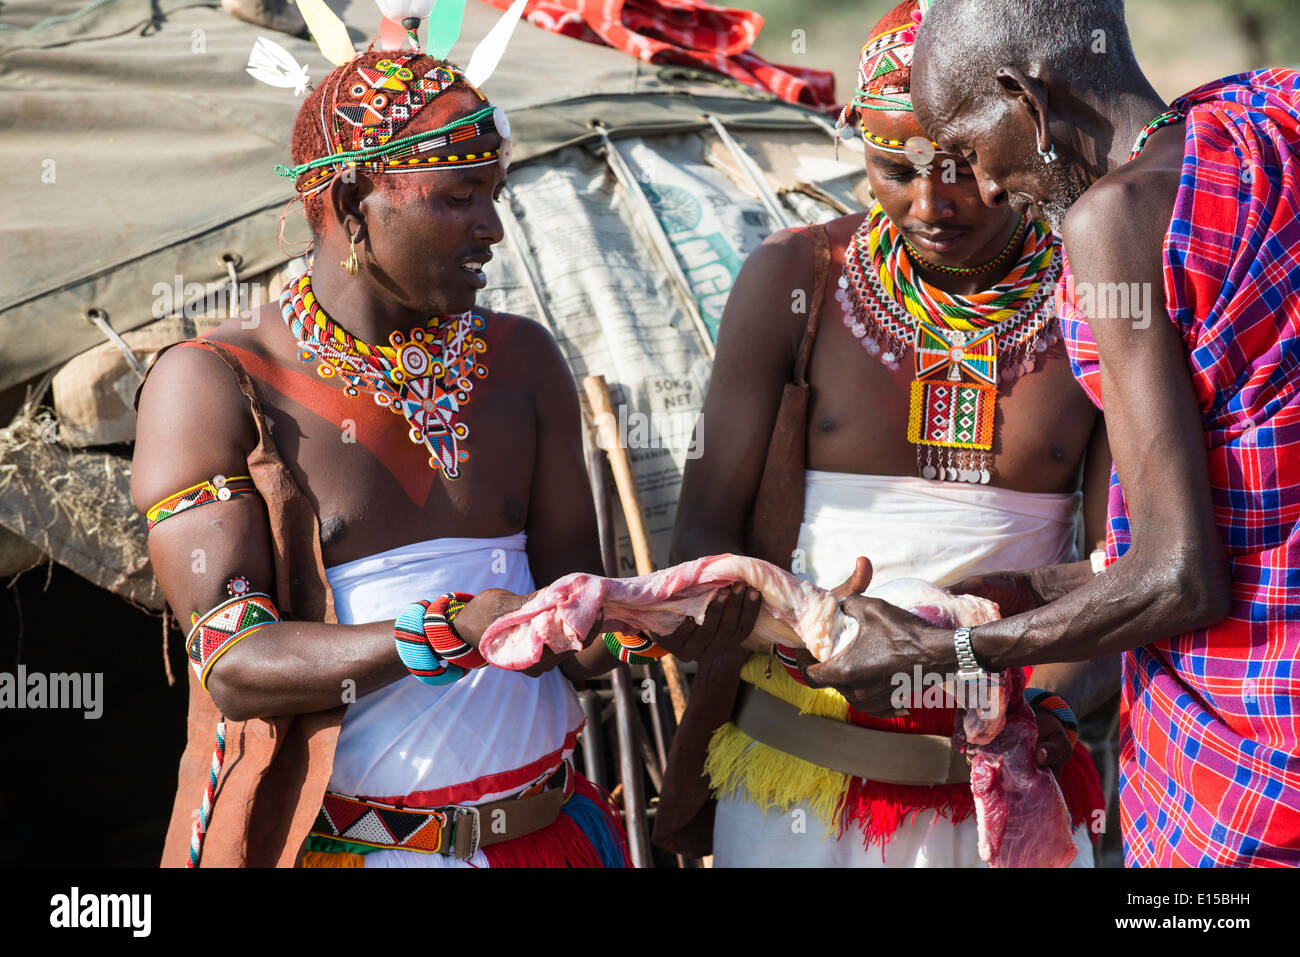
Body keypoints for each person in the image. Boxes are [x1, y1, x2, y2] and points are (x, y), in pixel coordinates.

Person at [132, 45, 754, 868]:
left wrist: (660, 625)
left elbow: (577, 636)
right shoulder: (215, 383)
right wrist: (445, 631)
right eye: (461, 197)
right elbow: (236, 661)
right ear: (356, 200)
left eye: (494, 195)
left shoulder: (523, 361)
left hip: (553, 838)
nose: (495, 227)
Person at [811, 0, 1300, 866]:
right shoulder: (1267, 119)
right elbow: (1210, 529)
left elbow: (1181, 578)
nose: (988, 188)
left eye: (970, 152)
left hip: (1251, 767)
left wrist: (944, 650)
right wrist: (1004, 591)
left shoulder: (1111, 220)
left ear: (1026, 101)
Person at [654, 0, 1112, 868]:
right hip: (797, 787)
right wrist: (806, 624)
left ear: (1020, 141)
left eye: (963, 166)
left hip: (1006, 792)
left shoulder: (1092, 297)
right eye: (892, 168)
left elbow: (1126, 567)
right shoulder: (794, 281)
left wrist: (1037, 704)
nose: (933, 202)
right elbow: (705, 539)